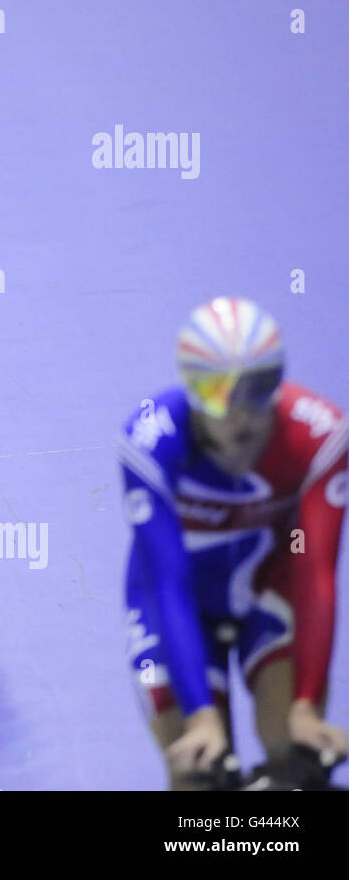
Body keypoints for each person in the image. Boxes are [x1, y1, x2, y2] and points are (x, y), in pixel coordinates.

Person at [118, 297, 347, 790]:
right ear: (191, 388)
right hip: (180, 602)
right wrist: (202, 716)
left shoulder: (322, 436)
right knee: (198, 772)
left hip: (271, 589)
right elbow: (169, 583)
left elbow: (316, 573)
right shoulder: (149, 443)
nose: (241, 416)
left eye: (258, 390)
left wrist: (307, 703)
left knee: (297, 758)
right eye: (219, 393)